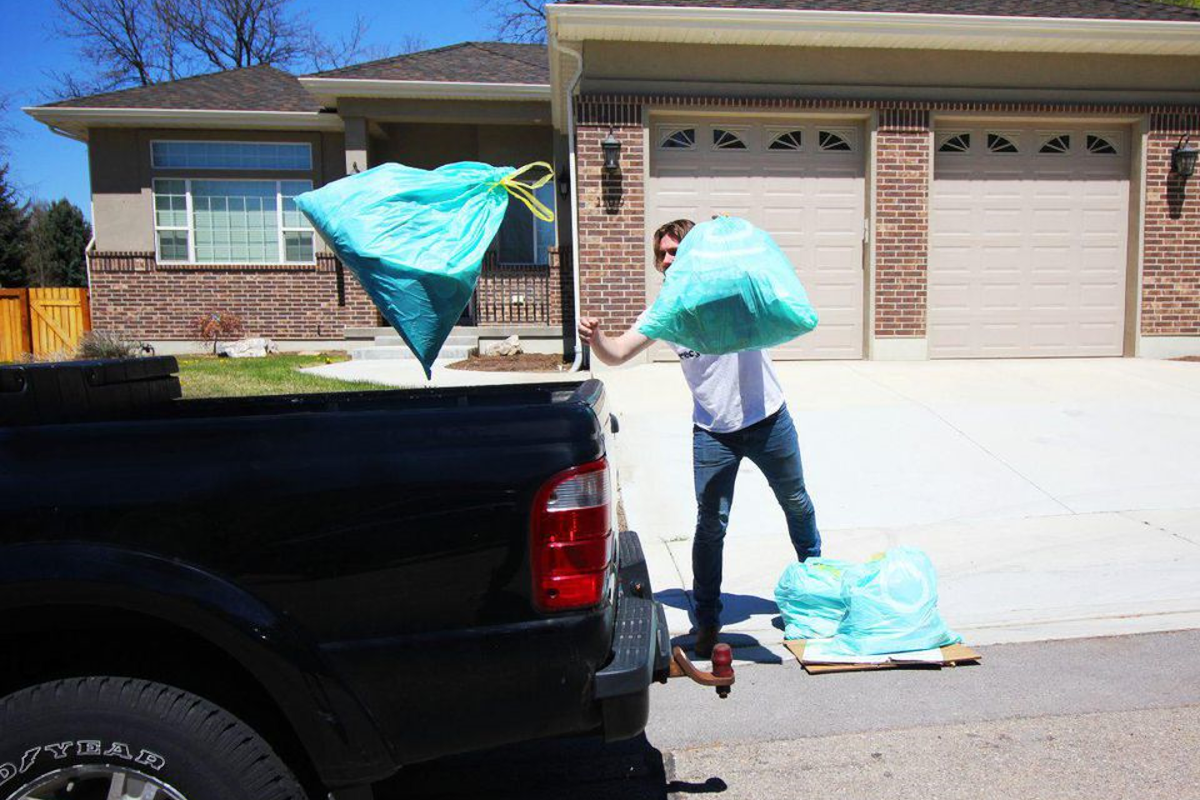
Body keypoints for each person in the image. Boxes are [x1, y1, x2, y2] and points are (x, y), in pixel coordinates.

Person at [578, 218, 821, 659]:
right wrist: (596, 338)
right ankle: (708, 623)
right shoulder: (668, 313)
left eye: (676, 251)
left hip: (768, 419)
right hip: (713, 431)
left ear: (696, 256)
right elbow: (616, 354)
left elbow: (784, 301)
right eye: (662, 254)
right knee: (710, 526)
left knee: (796, 502)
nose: (668, 259)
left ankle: (819, 591)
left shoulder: (733, 291)